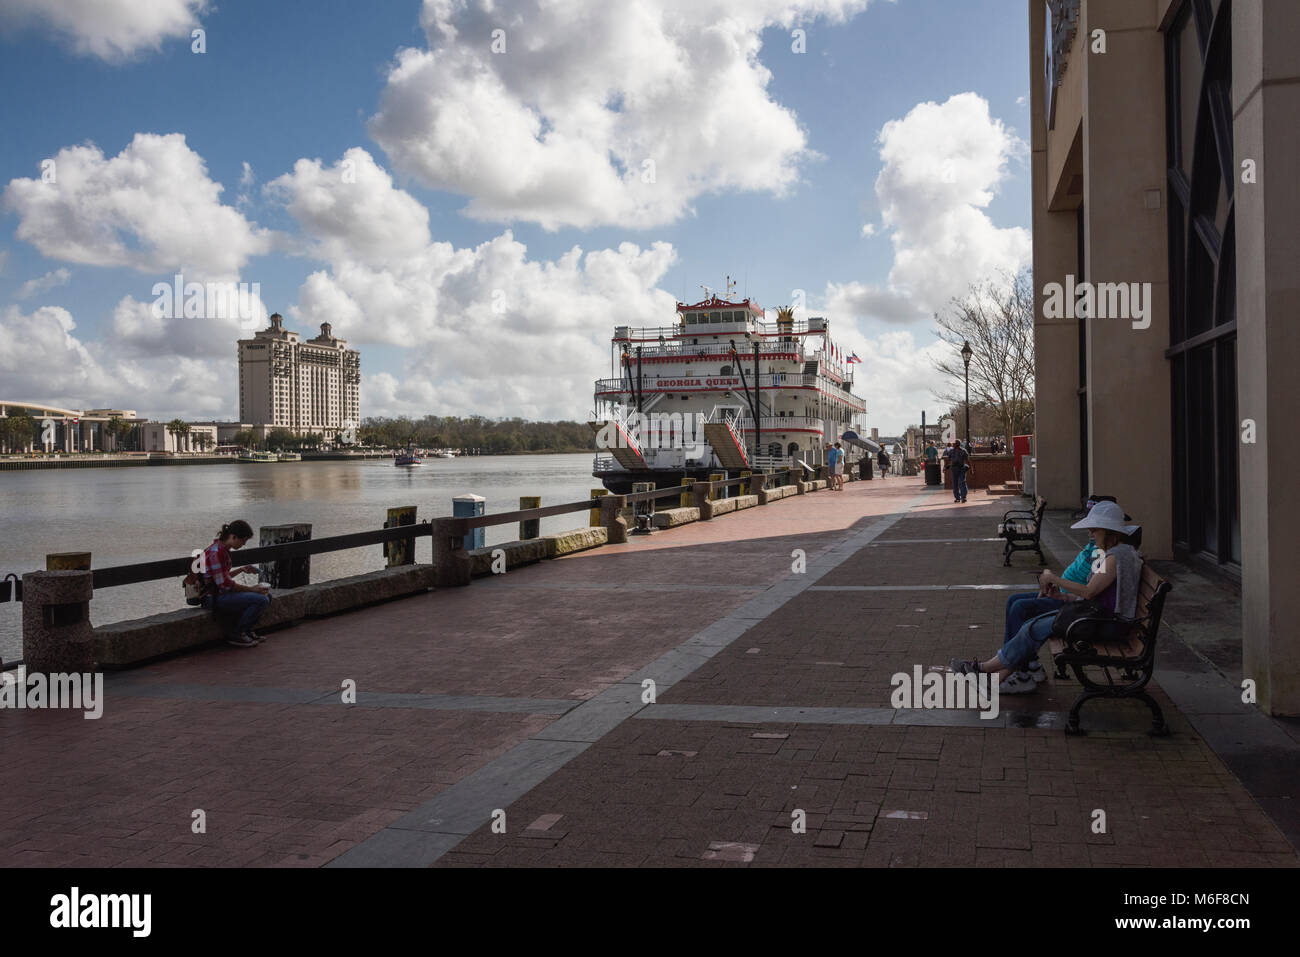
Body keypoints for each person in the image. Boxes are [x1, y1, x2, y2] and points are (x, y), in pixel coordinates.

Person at [951, 501, 1143, 693]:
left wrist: (1054, 579)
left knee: (1031, 627)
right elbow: (1094, 595)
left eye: (1094, 529)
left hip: (1104, 624)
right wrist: (1062, 597)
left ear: (1108, 530)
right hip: (1096, 618)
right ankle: (991, 676)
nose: (1090, 534)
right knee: (1031, 626)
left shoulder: (1117, 556)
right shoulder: (1117, 553)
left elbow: (1089, 592)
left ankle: (983, 670)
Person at [200, 519, 272, 647]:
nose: (244, 544)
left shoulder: (222, 550)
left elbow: (221, 578)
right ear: (233, 537)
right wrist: (252, 589)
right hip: (213, 598)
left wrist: (241, 569)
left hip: (219, 593)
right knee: (261, 600)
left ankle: (247, 629)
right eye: (243, 540)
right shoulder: (215, 553)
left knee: (267, 596)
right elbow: (225, 585)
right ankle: (237, 633)